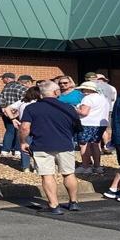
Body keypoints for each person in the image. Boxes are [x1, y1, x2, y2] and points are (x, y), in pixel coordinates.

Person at [21, 79, 85, 213]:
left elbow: (25, 127)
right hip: (65, 143)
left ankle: (54, 205)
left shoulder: (31, 108)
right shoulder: (69, 108)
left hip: (41, 144)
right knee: (68, 173)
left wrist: (23, 141)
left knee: (47, 174)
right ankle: (73, 202)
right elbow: (77, 127)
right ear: (56, 92)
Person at [76, 81, 110, 175]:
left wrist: (75, 109)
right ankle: (97, 166)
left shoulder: (87, 98)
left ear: (88, 90)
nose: (82, 92)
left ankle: (86, 166)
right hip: (101, 124)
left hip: (87, 123)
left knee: (84, 144)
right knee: (95, 144)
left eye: (83, 90)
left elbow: (84, 112)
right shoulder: (103, 98)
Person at [0, 74, 32, 156]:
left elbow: (2, 100)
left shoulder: (6, 88)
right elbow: (24, 101)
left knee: (9, 131)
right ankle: (17, 149)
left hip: (7, 112)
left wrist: (4, 109)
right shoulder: (23, 89)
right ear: (27, 82)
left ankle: (5, 150)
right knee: (20, 131)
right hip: (19, 112)